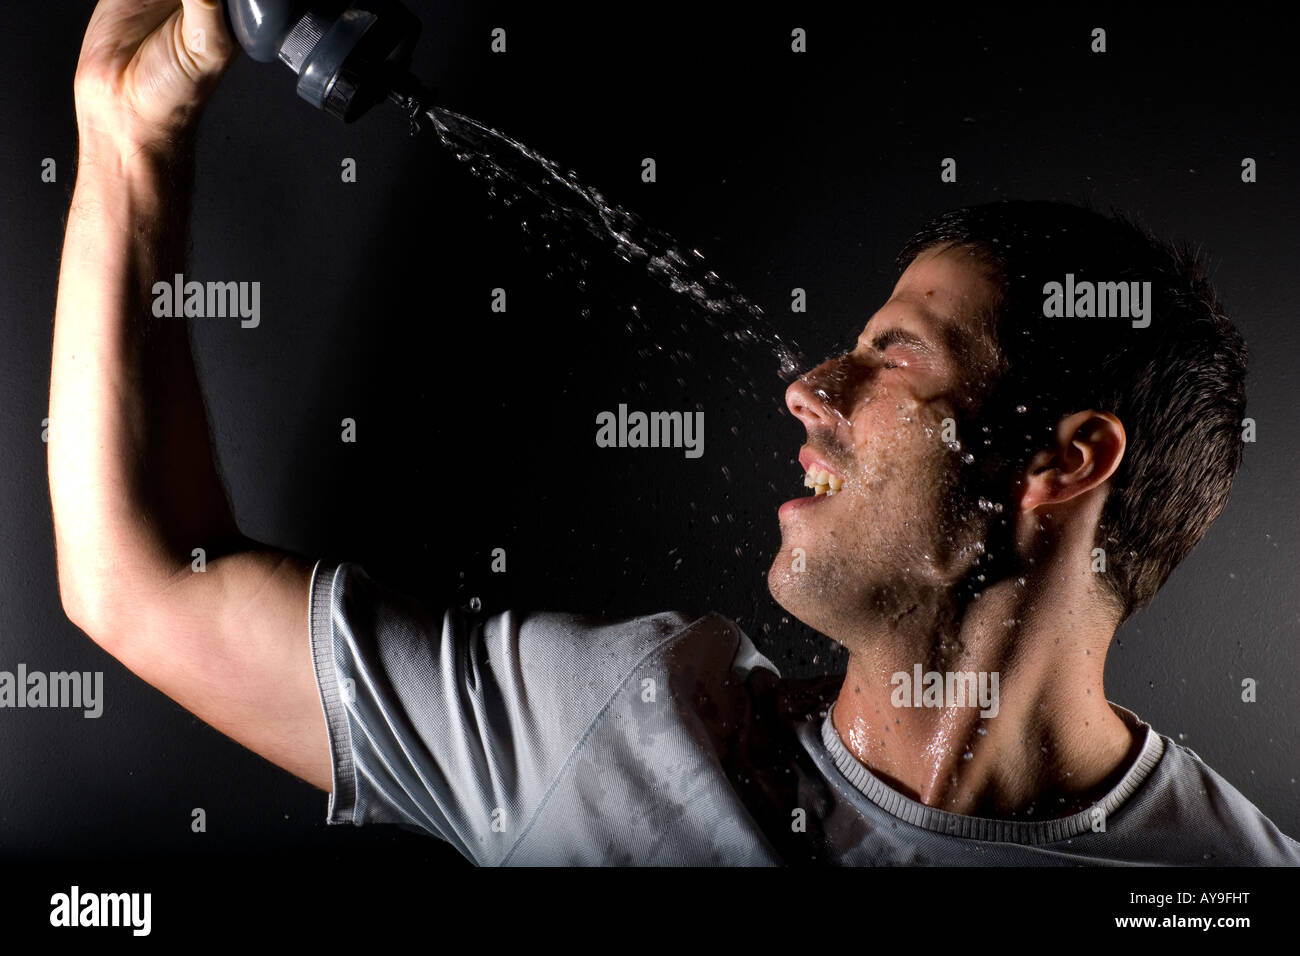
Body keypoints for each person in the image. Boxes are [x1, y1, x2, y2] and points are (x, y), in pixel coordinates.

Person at [49, 0, 1300, 866]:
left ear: (1063, 461)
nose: (809, 389)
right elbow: (142, 583)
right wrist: (126, 133)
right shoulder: (624, 718)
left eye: (893, 352)